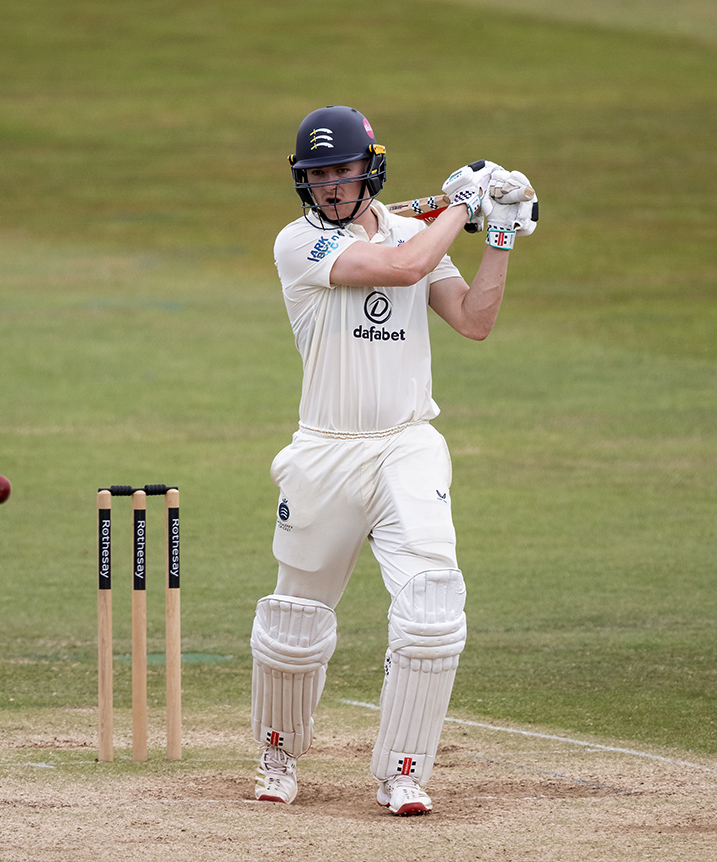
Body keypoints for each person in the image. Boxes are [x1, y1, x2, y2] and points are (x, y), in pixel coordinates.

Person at [250, 105, 537, 816]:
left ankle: (403, 770)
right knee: (294, 621)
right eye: (318, 175)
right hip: (327, 450)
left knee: (433, 608)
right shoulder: (298, 245)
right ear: (303, 182)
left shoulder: (419, 231)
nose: (332, 186)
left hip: (408, 445)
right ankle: (277, 754)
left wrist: (496, 229)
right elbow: (402, 266)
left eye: (344, 172)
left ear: (369, 169)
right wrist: (461, 205)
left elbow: (474, 321)